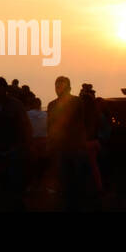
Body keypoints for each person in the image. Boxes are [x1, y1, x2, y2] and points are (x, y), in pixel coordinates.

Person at [0, 77, 32, 209]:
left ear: (5, 88)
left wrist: (24, 145)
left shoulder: (16, 105)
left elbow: (26, 126)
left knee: (16, 184)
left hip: (16, 148)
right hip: (2, 147)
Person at [47, 76, 86, 210]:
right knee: (66, 180)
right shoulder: (54, 105)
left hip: (74, 147)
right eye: (57, 86)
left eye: (60, 86)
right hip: (63, 147)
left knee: (75, 179)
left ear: (68, 88)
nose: (58, 89)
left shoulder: (76, 103)